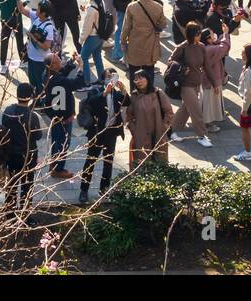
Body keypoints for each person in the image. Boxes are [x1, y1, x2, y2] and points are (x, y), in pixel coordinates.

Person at [79, 70, 128, 203]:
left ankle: (104, 189)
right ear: (103, 79)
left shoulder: (117, 93)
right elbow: (91, 103)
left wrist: (123, 90)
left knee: (108, 163)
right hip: (96, 132)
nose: (111, 79)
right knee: (90, 161)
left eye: (114, 77)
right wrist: (105, 93)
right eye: (108, 77)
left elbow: (127, 102)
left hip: (111, 133)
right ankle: (84, 190)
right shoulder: (96, 90)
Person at [0, 84, 46, 208]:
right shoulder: (32, 116)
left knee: (12, 184)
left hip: (11, 154)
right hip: (28, 155)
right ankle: (25, 214)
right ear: (30, 97)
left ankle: (9, 213)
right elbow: (38, 136)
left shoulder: (8, 111)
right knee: (27, 186)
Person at [41, 52, 85, 180]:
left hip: (54, 115)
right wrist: (81, 67)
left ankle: (54, 164)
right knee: (63, 143)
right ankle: (58, 169)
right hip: (64, 117)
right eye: (59, 60)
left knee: (56, 141)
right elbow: (78, 83)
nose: (62, 61)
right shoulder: (61, 81)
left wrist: (71, 63)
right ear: (53, 65)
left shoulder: (47, 75)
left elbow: (62, 73)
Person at [168, 21, 213, 147]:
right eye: (198, 33)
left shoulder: (201, 47)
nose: (200, 35)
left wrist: (215, 83)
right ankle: (202, 136)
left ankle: (172, 131)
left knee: (186, 109)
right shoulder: (182, 47)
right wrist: (182, 68)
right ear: (192, 34)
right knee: (196, 109)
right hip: (185, 84)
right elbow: (171, 61)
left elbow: (207, 66)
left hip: (196, 83)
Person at [121, 0, 167, 85]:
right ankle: (149, 96)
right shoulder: (158, 7)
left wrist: (123, 41)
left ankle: (135, 96)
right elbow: (163, 24)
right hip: (150, 44)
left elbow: (126, 27)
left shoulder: (131, 7)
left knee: (134, 73)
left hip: (135, 43)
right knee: (149, 72)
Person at [126, 68, 173, 168]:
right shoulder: (134, 96)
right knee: (142, 164)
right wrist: (134, 129)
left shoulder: (158, 93)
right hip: (141, 136)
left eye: (141, 78)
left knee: (160, 162)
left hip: (158, 134)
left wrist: (163, 127)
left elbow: (169, 113)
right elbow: (129, 116)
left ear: (147, 79)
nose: (138, 81)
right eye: (136, 79)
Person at [78, 0, 112, 83]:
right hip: (100, 35)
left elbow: (86, 28)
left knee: (84, 58)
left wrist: (81, 39)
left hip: (92, 37)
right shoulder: (101, 2)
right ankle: (102, 80)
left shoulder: (91, 9)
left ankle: (86, 82)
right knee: (97, 57)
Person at [199, 23, 230, 132]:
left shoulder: (206, 48)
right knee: (208, 103)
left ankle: (205, 123)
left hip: (207, 80)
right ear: (208, 39)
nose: (214, 36)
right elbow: (223, 48)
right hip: (211, 81)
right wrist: (225, 34)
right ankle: (206, 125)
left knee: (207, 101)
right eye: (212, 35)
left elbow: (219, 45)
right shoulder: (210, 49)